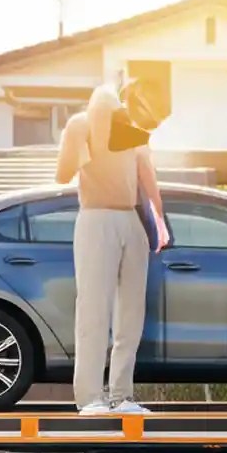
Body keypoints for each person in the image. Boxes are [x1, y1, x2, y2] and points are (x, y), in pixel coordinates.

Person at [55, 79, 170, 415]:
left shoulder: (131, 132)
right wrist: (80, 142)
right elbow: (63, 174)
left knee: (131, 314)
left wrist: (160, 223)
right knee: (93, 309)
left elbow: (148, 177)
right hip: (95, 218)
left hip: (131, 221)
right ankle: (89, 398)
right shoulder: (80, 124)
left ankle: (121, 397)